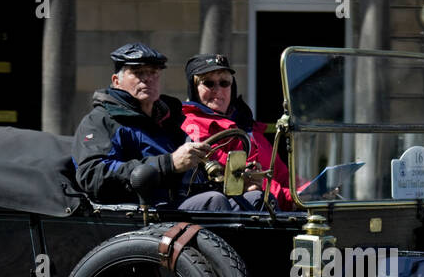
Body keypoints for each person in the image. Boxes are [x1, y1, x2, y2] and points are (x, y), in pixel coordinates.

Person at [71, 42, 258, 211]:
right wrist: (168, 164)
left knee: (257, 199)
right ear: (116, 81)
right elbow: (91, 174)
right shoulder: (101, 120)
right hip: (139, 213)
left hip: (176, 205)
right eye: (137, 73)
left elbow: (193, 177)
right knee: (213, 202)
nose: (147, 79)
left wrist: (236, 181)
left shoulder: (169, 120)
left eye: (153, 72)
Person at [180, 53, 298, 211]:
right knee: (259, 198)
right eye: (209, 83)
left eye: (224, 83)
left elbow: (281, 173)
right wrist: (293, 197)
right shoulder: (192, 126)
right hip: (225, 208)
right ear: (194, 89)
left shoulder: (246, 124)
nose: (218, 90)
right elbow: (234, 175)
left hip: (272, 202)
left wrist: (307, 190)